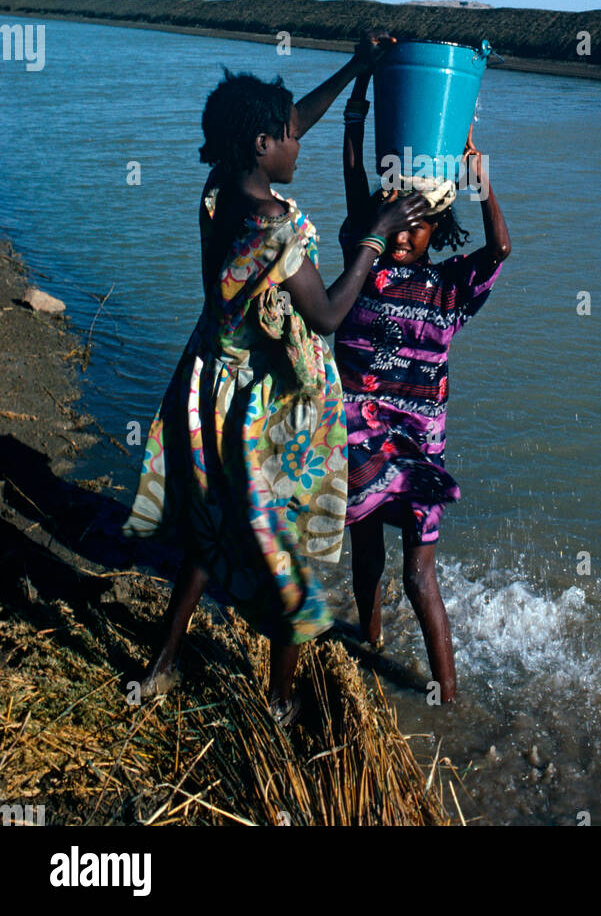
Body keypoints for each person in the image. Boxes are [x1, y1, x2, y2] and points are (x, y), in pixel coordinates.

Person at [123, 39, 428, 724]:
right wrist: (375, 237)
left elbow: (293, 120)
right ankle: (279, 700)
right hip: (264, 404)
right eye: (289, 134)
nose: (301, 139)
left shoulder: (221, 190)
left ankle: (163, 667)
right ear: (263, 143)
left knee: (208, 535)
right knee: (282, 551)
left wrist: (354, 70)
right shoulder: (276, 227)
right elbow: (324, 314)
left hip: (209, 378)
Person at [334, 68, 511, 702]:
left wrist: (480, 176)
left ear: (439, 232)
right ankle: (370, 641)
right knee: (364, 557)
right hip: (359, 438)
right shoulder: (364, 265)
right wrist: (359, 103)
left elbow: (501, 249)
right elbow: (356, 181)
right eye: (396, 224)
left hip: (420, 453)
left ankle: (448, 696)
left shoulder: (449, 290)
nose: (404, 236)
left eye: (419, 227)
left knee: (419, 574)